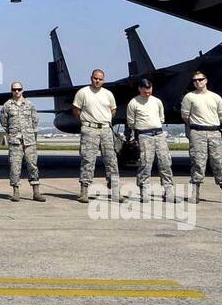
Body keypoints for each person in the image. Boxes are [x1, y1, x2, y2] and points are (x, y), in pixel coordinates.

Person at [180, 71, 222, 205]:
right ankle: (195, 193)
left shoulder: (216, 97)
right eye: (195, 81)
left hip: (214, 132)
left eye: (200, 79)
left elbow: (221, 114)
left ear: (206, 80)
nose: (197, 82)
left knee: (218, 162)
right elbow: (185, 116)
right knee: (198, 162)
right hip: (198, 132)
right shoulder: (189, 97)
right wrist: (198, 126)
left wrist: (212, 125)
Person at [73, 68, 119, 202]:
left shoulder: (108, 94)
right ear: (91, 78)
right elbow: (76, 109)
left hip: (105, 129)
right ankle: (84, 191)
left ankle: (115, 191)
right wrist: (85, 121)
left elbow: (113, 110)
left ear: (103, 80)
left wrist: (105, 120)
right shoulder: (83, 93)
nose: (97, 81)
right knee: (88, 160)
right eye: (95, 78)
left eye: (100, 79)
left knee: (111, 160)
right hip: (89, 129)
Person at [126, 78, 172, 203]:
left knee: (165, 162)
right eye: (145, 92)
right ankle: (143, 190)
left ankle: (168, 190)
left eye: (150, 91)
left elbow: (161, 118)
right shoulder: (133, 103)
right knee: (145, 163)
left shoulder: (157, 101)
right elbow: (131, 122)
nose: (148, 94)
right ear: (139, 89)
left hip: (159, 134)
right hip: (144, 135)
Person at [0, 82, 41, 202]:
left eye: (19, 89)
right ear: (11, 90)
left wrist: (29, 132)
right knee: (14, 166)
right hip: (15, 140)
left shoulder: (30, 105)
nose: (17, 91)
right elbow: (3, 121)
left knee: (32, 165)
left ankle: (36, 192)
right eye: (14, 89)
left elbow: (35, 120)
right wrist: (12, 132)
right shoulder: (7, 105)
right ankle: (16, 191)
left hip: (29, 140)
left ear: (23, 90)